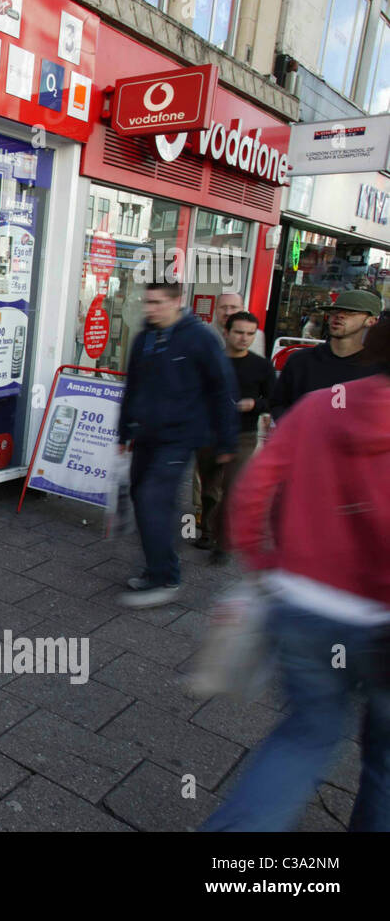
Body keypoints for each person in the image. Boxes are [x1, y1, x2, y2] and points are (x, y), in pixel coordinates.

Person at [202, 318, 390, 832]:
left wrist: (264, 567)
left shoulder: (322, 405)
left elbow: (253, 490)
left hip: (305, 601)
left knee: (305, 736)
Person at [117, 281, 237, 608]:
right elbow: (133, 386)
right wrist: (122, 432)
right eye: (147, 302)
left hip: (180, 437)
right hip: (145, 435)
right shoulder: (145, 337)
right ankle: (159, 565)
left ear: (176, 301)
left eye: (157, 303)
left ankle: (165, 579)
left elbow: (221, 389)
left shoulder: (199, 338)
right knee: (143, 500)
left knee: (153, 497)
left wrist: (227, 441)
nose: (149, 309)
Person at [193, 311, 274, 564]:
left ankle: (224, 542)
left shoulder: (261, 366)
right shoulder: (210, 362)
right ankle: (207, 531)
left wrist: (255, 404)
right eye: (239, 332)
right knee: (209, 488)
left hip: (243, 434)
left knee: (234, 489)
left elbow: (273, 399)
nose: (244, 338)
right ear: (226, 332)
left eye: (250, 334)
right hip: (209, 433)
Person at [272, 289, 382, 422]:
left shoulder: (380, 369)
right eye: (335, 311)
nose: (339, 316)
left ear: (371, 321)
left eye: (350, 312)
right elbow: (278, 404)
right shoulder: (301, 361)